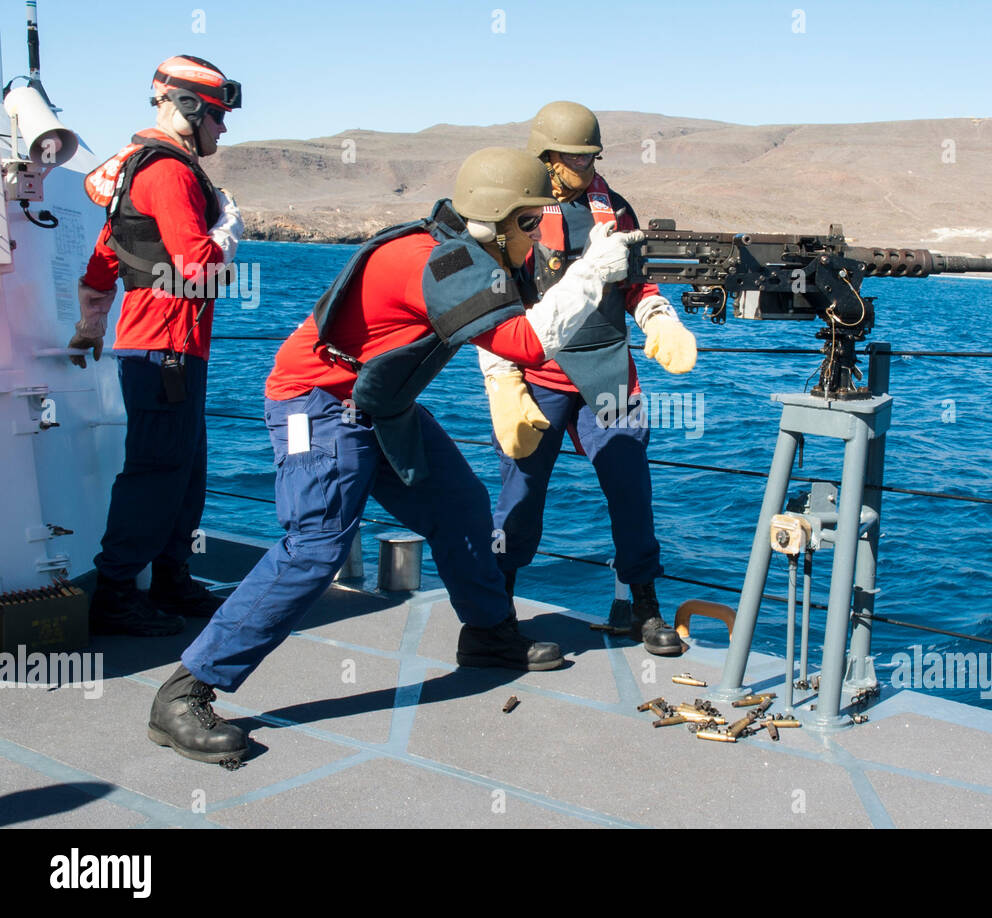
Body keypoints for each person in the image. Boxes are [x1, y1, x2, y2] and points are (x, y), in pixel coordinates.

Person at [147, 147, 646, 767]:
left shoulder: (472, 250)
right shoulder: (438, 262)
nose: (537, 235)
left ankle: (488, 635)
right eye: (529, 221)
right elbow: (522, 341)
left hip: (381, 400)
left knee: (460, 505)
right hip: (316, 403)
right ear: (497, 218)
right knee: (316, 545)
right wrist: (591, 271)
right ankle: (185, 692)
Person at [476, 101, 697, 656]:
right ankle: (494, 613)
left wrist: (657, 317)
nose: (586, 165)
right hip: (537, 374)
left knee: (631, 490)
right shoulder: (517, 212)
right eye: (577, 156)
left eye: (591, 156)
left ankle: (643, 607)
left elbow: (635, 281)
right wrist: (503, 379)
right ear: (548, 158)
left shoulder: (614, 209)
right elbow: (494, 301)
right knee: (519, 497)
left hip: (607, 371)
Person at [73, 55, 244, 636]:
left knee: (185, 470)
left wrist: (91, 327)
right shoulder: (168, 173)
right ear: (191, 108)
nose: (222, 129)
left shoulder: (135, 171)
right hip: (165, 349)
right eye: (218, 116)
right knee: (156, 472)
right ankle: (116, 594)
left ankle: (172, 579)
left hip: (159, 350)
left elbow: (103, 260)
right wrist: (227, 233)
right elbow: (197, 268)